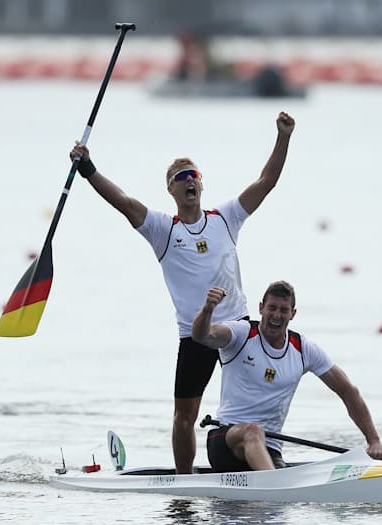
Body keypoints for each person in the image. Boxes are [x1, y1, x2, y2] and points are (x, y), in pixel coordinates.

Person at [69, 112, 296, 474]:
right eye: (180, 177)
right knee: (184, 416)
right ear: (171, 190)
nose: (189, 180)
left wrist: (283, 136)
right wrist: (88, 169)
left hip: (238, 329)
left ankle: (261, 458)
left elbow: (266, 182)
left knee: (257, 403)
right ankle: (184, 479)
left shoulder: (226, 218)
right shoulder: (163, 229)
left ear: (201, 185)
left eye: (194, 175)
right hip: (196, 333)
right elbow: (124, 202)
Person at [191, 281, 382, 471]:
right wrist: (208, 309)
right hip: (225, 441)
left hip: (270, 447)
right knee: (252, 430)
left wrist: (373, 441)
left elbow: (348, 391)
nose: (277, 315)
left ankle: (271, 480)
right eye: (272, 308)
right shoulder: (242, 333)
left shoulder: (303, 349)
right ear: (261, 308)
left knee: (260, 439)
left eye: (284, 310)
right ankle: (272, 482)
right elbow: (201, 336)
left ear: (293, 314)